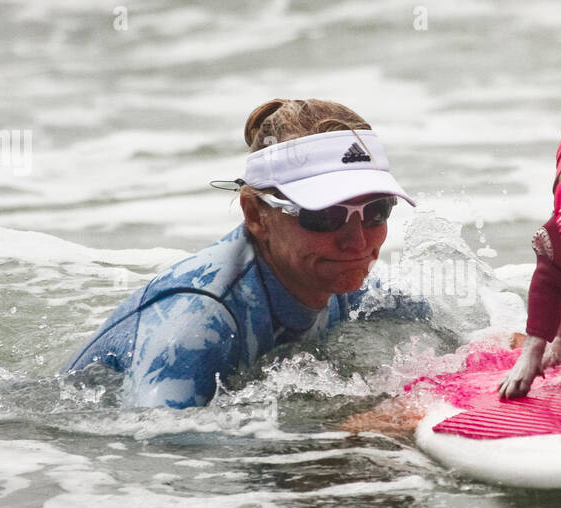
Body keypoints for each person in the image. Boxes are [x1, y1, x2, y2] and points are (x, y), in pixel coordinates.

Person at [63, 98, 422, 409]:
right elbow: (156, 453)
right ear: (255, 214)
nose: (357, 242)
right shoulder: (196, 323)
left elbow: (442, 336)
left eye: (377, 211)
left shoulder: (346, 282)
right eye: (324, 216)